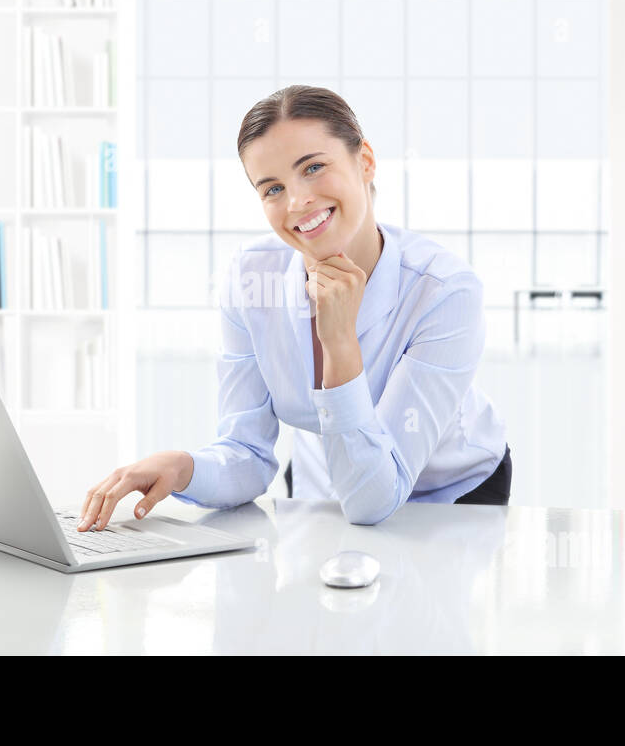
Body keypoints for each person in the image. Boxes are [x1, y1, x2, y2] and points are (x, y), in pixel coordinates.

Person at [77, 85, 509, 531]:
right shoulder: (250, 280)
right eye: (273, 188)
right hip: (328, 483)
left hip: (455, 490)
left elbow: (373, 501)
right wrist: (182, 467)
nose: (297, 201)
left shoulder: (444, 291)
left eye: (314, 167)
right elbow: (247, 453)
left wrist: (338, 340)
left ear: (365, 161)